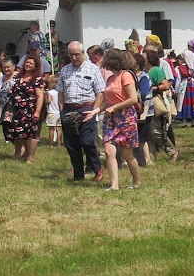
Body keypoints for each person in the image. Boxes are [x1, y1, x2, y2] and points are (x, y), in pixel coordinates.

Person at [56, 41, 105, 181]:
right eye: (71, 55)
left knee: (87, 141)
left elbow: (101, 92)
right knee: (72, 144)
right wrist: (61, 110)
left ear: (83, 54)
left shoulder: (93, 69)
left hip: (87, 108)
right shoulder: (65, 70)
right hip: (69, 109)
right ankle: (78, 174)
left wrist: (94, 109)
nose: (74, 57)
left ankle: (97, 167)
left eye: (77, 54)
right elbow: (60, 92)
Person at [100, 49, 143, 191]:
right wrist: (95, 110)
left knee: (126, 153)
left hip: (126, 118)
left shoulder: (126, 76)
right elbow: (107, 101)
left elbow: (133, 99)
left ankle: (137, 181)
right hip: (110, 119)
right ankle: (114, 185)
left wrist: (115, 107)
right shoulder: (110, 79)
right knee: (108, 151)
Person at [4, 55, 46, 163]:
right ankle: (24, 153)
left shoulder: (37, 79)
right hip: (17, 110)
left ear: (36, 66)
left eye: (31, 63)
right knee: (19, 133)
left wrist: (37, 112)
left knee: (31, 133)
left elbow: (40, 96)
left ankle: (30, 157)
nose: (28, 65)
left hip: (30, 110)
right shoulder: (18, 77)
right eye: (27, 63)